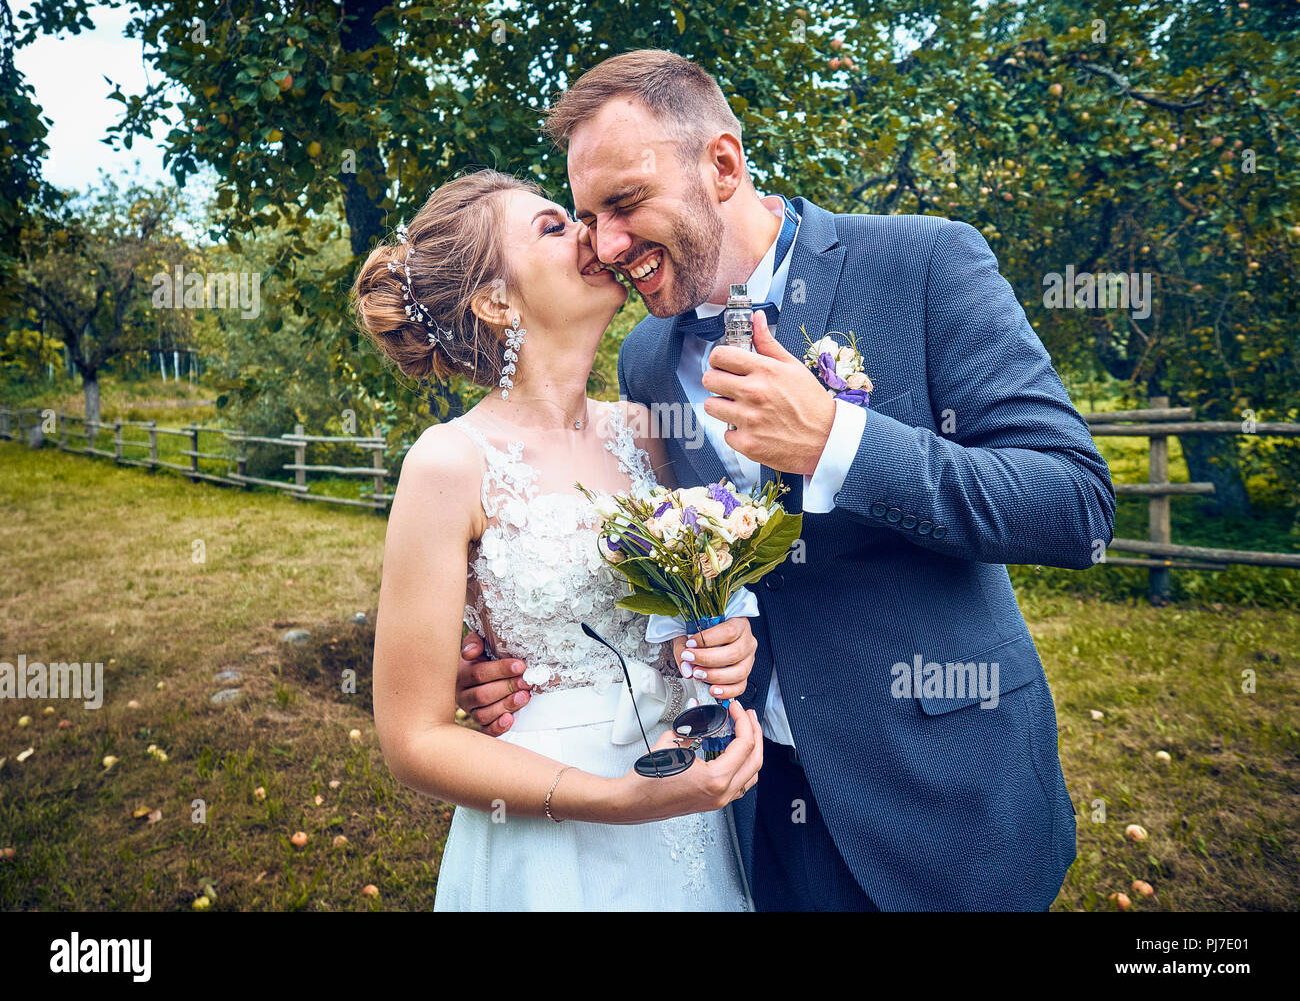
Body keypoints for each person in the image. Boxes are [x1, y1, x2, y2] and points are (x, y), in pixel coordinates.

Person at [459, 49, 1117, 911]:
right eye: (588, 217)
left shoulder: (927, 264)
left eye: (625, 204)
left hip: (943, 798)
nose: (607, 245)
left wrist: (837, 440)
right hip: (751, 816)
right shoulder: (647, 356)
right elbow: (679, 557)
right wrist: (516, 663)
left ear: (723, 164)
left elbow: (1075, 503)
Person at [353, 169, 763, 911]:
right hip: (552, 832)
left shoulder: (649, 431)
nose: (594, 235)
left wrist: (716, 637)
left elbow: (674, 612)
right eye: (553, 225)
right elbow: (411, 739)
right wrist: (614, 800)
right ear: (495, 300)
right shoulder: (450, 462)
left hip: (686, 799)